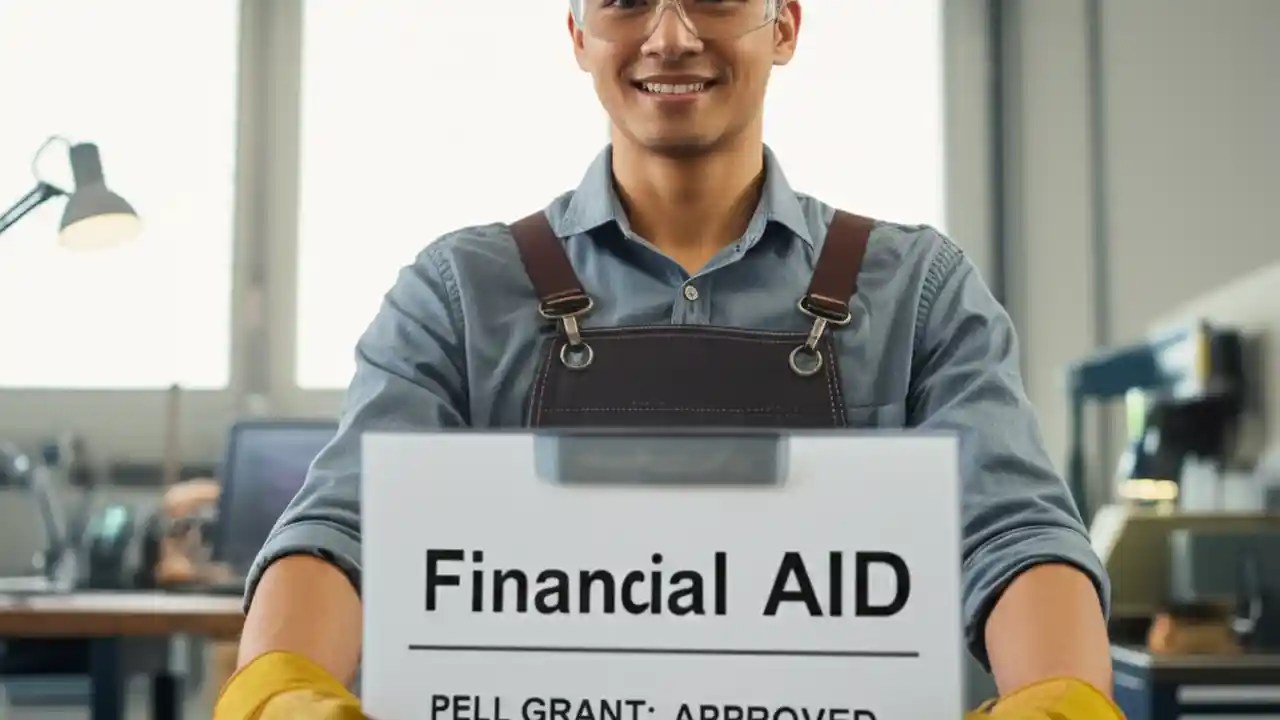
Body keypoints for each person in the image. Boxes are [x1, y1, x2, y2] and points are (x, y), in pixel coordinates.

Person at [216, 1, 1122, 718]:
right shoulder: (456, 294)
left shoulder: (922, 291)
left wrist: (1059, 704)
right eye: (626, 1)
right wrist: (282, 693)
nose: (672, 35)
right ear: (578, 34)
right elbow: (343, 529)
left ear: (787, 25)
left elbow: (1018, 536)